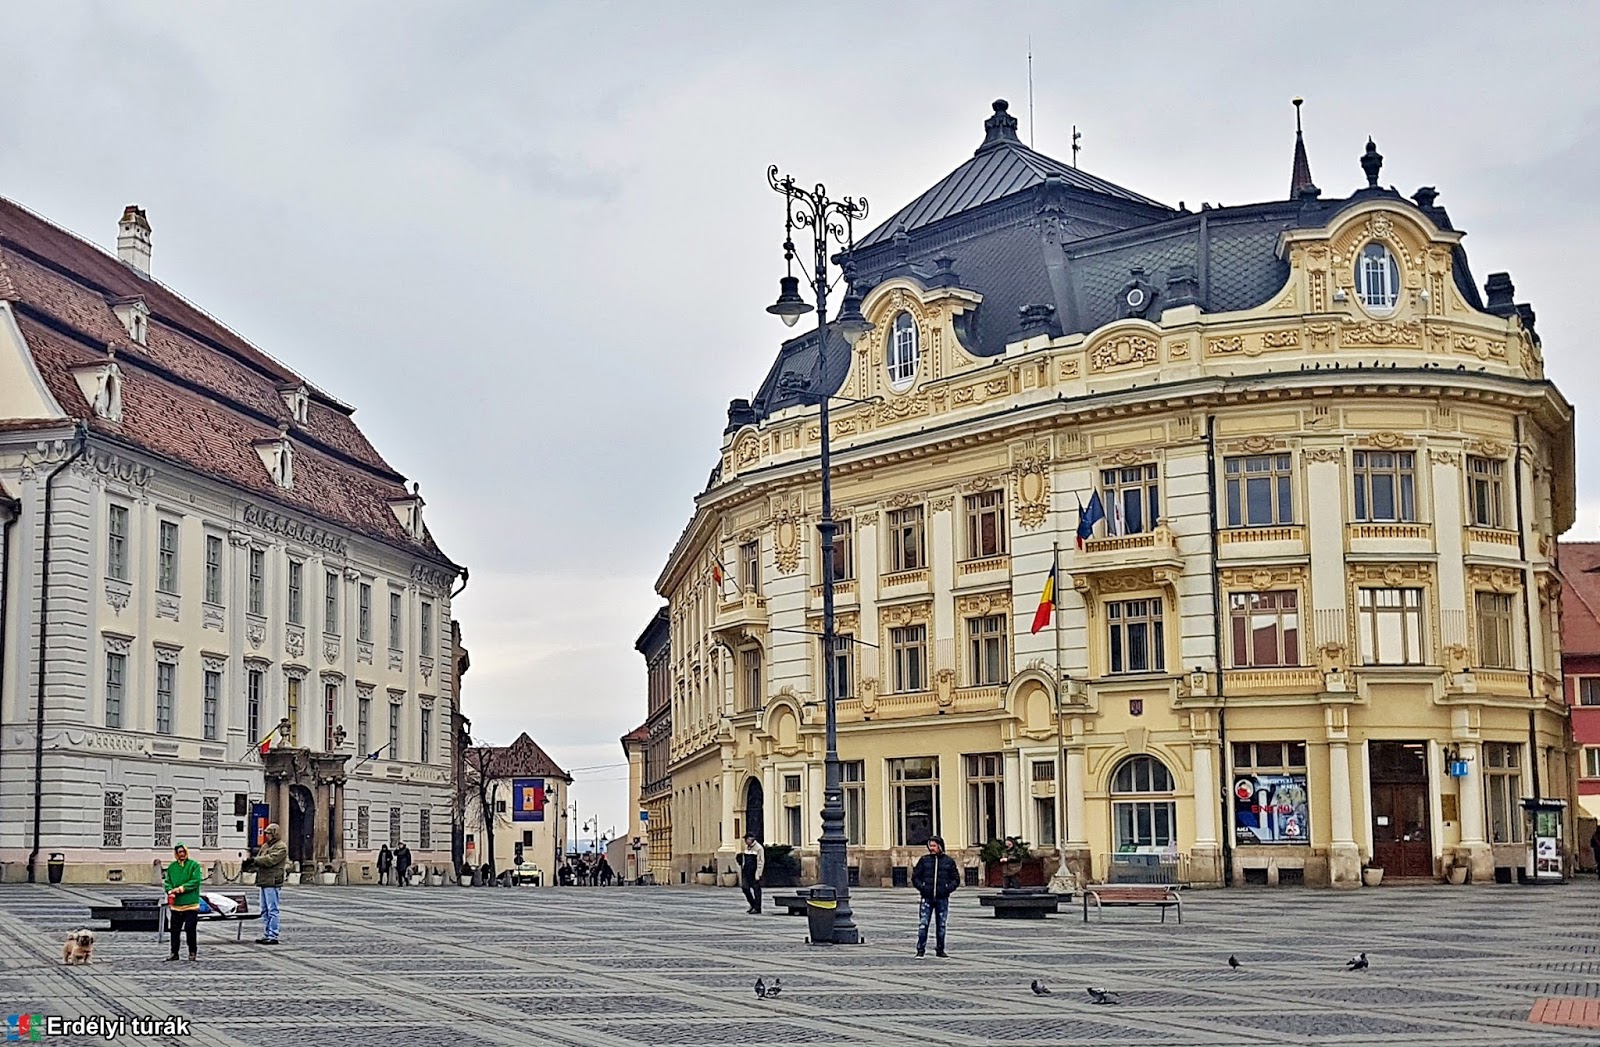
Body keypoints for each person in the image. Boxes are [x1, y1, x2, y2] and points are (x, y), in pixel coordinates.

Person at [911, 835, 960, 958]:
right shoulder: (924, 860)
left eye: (933, 846)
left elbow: (956, 879)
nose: (931, 848)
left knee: (941, 925)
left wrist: (947, 889)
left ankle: (940, 949)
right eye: (930, 846)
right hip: (926, 897)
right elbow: (915, 877)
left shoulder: (948, 861)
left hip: (942, 898)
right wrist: (922, 888)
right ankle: (920, 950)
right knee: (923, 924)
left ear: (940, 846)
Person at [162, 842, 204, 962]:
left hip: (190, 904)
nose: (181, 854)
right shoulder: (172, 867)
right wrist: (170, 890)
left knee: (190, 929)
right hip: (176, 905)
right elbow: (167, 881)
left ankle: (192, 952)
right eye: (179, 852)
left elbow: (195, 881)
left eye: (183, 852)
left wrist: (181, 889)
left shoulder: (193, 866)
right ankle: (174, 952)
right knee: (174, 931)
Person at [249, 823, 287, 945]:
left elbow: (270, 860)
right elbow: (261, 858)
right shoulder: (266, 846)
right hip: (264, 880)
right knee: (264, 910)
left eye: (269, 834)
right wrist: (251, 864)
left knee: (272, 909)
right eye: (266, 834)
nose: (267, 836)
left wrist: (255, 860)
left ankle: (273, 935)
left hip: (273, 881)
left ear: (275, 834)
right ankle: (267, 934)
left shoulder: (281, 847)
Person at [739, 831, 765, 914]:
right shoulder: (747, 847)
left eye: (746, 839)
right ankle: (752, 904)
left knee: (756, 890)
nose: (745, 841)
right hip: (746, 871)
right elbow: (744, 859)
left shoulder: (759, 848)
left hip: (754, 872)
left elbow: (760, 861)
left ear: (751, 839)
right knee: (745, 888)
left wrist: (758, 873)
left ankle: (757, 907)